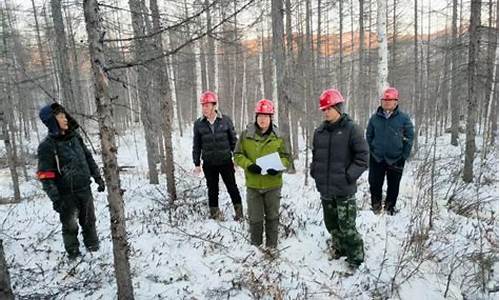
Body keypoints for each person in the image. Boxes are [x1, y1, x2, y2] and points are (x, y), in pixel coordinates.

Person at [37, 103, 105, 259]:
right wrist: (56, 199)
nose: (65, 118)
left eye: (64, 115)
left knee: (89, 221)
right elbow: (45, 177)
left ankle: (93, 249)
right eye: (60, 116)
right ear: (52, 121)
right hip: (66, 195)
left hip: (84, 189)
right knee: (70, 226)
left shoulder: (75, 137)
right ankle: (73, 255)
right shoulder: (47, 146)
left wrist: (97, 177)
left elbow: (88, 157)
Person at [310, 89, 368, 268]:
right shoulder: (319, 132)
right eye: (323, 109)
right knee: (332, 224)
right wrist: (315, 172)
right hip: (326, 189)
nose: (326, 112)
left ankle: (356, 257)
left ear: (338, 107)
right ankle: (339, 248)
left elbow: (363, 157)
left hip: (344, 190)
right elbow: (316, 156)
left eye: (329, 108)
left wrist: (348, 176)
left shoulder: (352, 129)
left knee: (347, 227)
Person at [234, 99, 290, 250]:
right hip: (253, 185)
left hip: (273, 184)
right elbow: (237, 155)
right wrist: (249, 165)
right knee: (255, 218)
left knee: (272, 217)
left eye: (266, 116)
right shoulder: (246, 135)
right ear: (256, 117)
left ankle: (272, 246)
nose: (263, 119)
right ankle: (256, 247)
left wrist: (278, 167)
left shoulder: (279, 136)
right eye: (260, 115)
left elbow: (287, 157)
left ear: (271, 117)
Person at [192, 91, 243, 221]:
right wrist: (197, 163)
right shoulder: (198, 124)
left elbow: (234, 141)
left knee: (232, 187)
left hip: (225, 162)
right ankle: (214, 214)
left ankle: (239, 213)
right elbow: (196, 145)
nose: (204, 108)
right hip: (209, 163)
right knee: (212, 189)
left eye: (207, 105)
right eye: (203, 105)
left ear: (214, 106)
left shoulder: (225, 121)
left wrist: (236, 158)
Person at [366, 87, 414, 215]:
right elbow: (369, 136)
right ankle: (376, 208)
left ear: (396, 102)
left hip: (396, 158)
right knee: (375, 184)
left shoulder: (404, 118)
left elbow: (409, 137)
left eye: (390, 100)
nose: (386, 102)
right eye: (384, 100)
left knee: (393, 186)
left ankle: (389, 208)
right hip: (377, 158)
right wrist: (373, 150)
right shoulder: (374, 118)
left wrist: (404, 155)